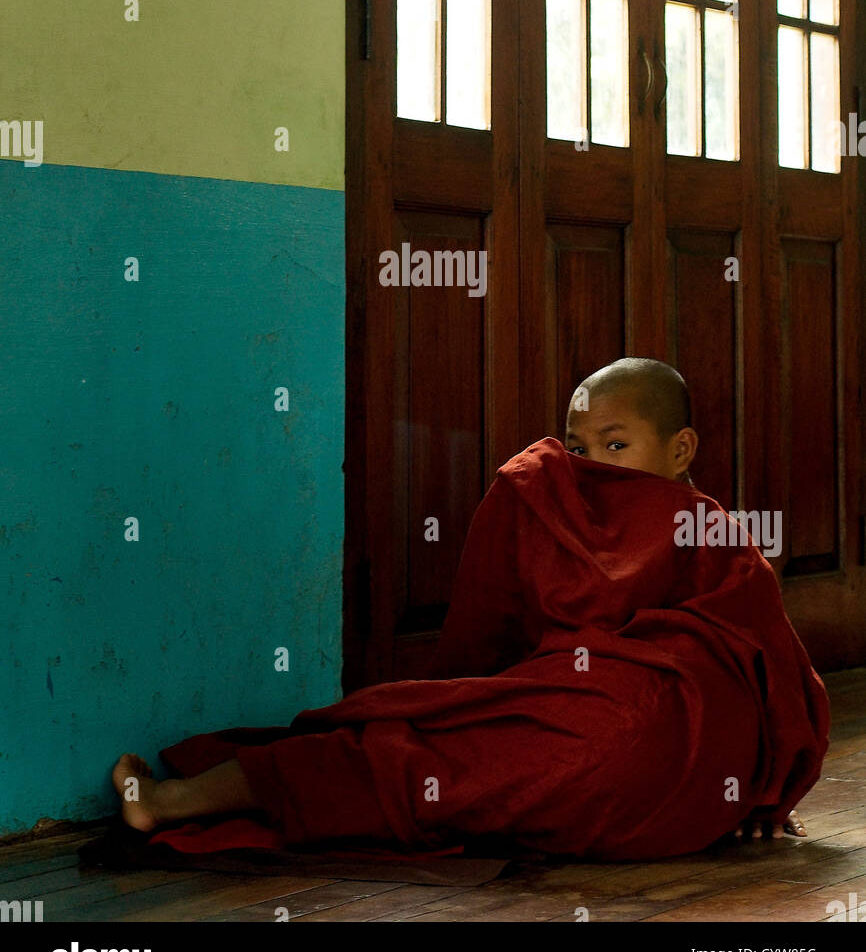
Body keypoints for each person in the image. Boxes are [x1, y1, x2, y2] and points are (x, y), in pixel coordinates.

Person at [112, 358, 828, 859]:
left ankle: (186, 800)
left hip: (668, 767)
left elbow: (773, 675)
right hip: (563, 727)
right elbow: (481, 650)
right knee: (412, 746)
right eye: (579, 445)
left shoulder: (712, 534)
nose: (591, 464)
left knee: (429, 754)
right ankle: (177, 801)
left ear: (681, 450)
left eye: (617, 445)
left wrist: (761, 798)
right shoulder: (545, 502)